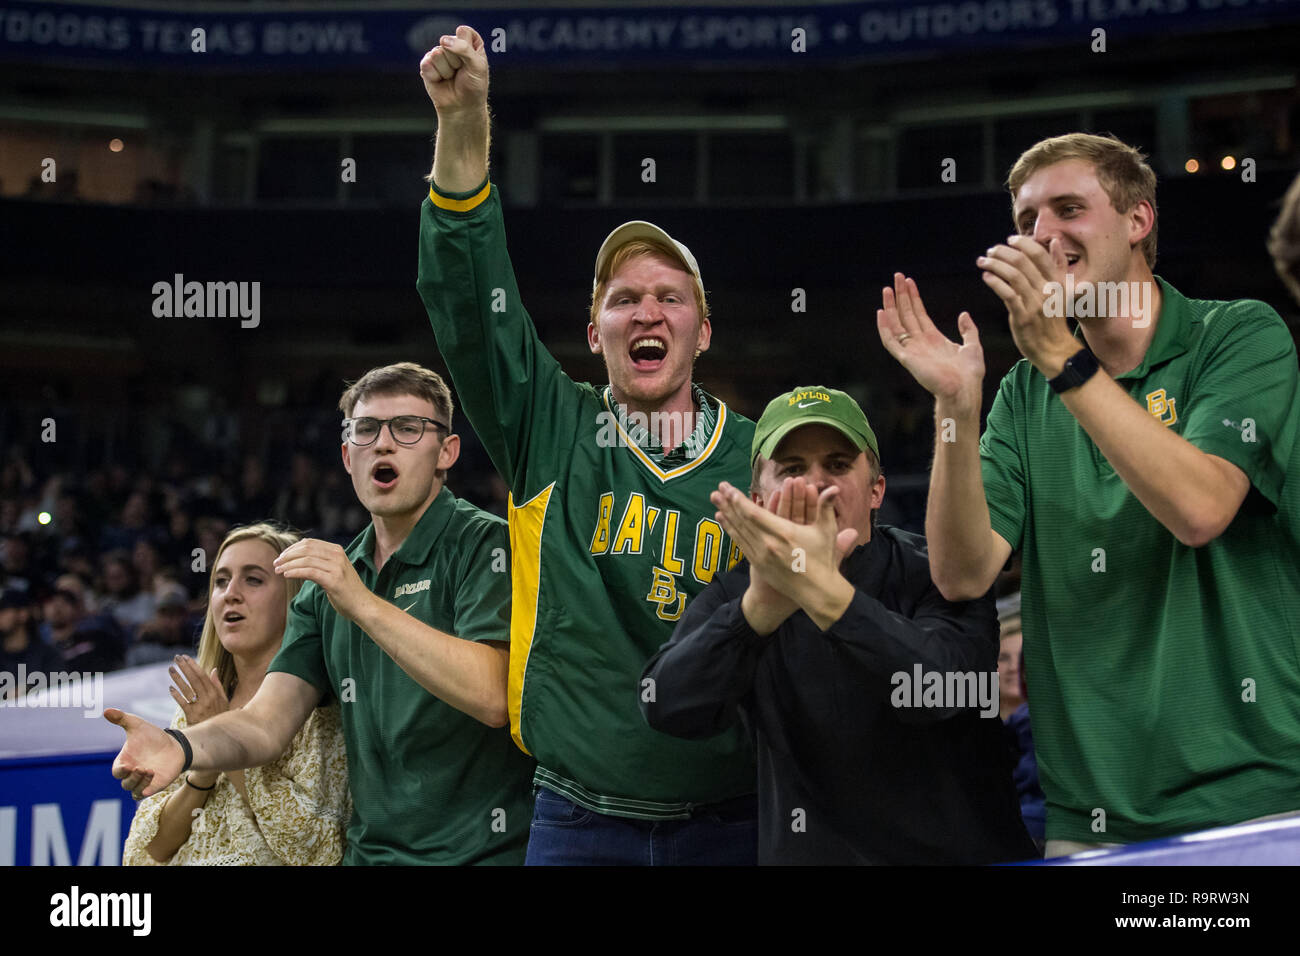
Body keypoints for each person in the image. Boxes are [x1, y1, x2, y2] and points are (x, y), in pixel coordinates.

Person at [878, 132, 1300, 856]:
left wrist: (1058, 357)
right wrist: (955, 408)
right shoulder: (1018, 393)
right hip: (1089, 817)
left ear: (1138, 220)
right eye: (1026, 222)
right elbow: (962, 571)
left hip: (1254, 797)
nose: (1043, 235)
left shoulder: (1238, 336)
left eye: (1068, 209)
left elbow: (1200, 510)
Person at [417, 26, 759, 865]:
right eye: (624, 299)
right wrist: (465, 119)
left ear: (703, 331)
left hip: (734, 818)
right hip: (577, 820)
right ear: (594, 330)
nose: (647, 312)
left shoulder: (762, 455)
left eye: (670, 298)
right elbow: (471, 297)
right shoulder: (549, 424)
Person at [107, 363, 535, 865]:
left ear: (447, 452)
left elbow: (492, 696)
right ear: (347, 456)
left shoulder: (487, 544)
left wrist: (362, 604)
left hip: (485, 856)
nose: (383, 443)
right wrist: (183, 747)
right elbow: (264, 726)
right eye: (366, 430)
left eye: (408, 428)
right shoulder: (328, 583)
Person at [641, 386, 1035, 864]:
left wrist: (822, 592)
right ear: (759, 499)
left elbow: (948, 690)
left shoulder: (940, 567)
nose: (815, 484)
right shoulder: (741, 593)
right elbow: (665, 704)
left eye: (837, 465)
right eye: (792, 470)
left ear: (877, 490)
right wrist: (759, 611)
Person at [122, 523, 350, 866]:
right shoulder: (195, 710)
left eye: (253, 579)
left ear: (296, 599)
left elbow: (314, 851)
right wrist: (202, 773)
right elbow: (144, 854)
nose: (231, 593)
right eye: (221, 580)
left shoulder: (323, 714)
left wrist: (220, 741)